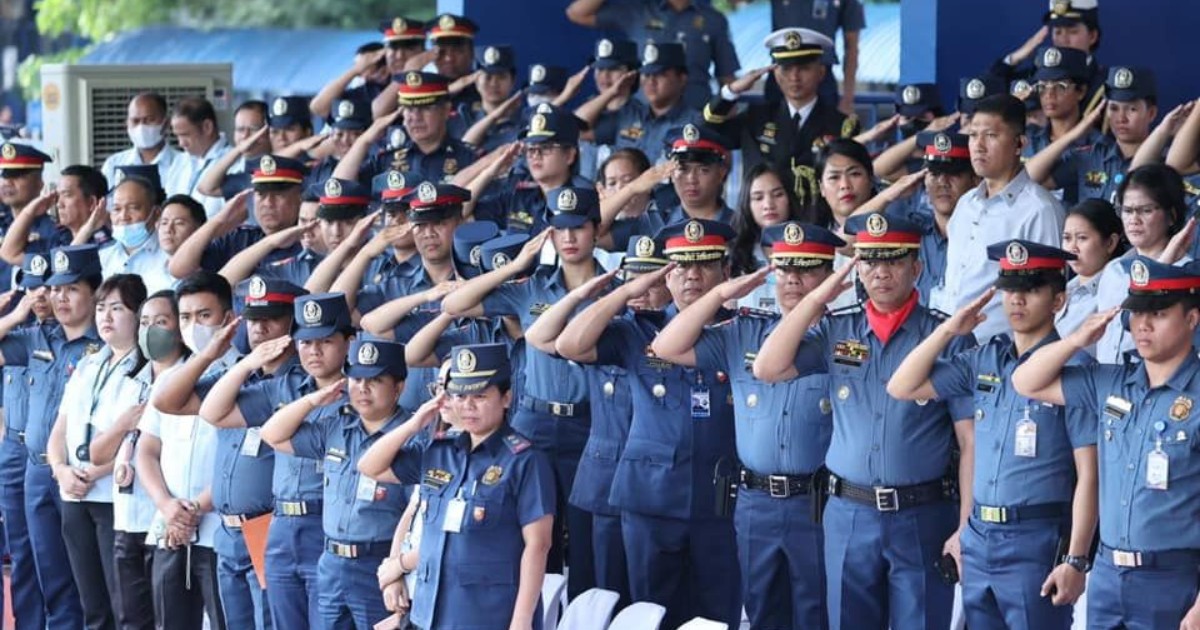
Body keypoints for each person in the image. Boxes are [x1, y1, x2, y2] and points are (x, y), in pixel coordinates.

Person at [753, 212, 975, 630]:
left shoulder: (947, 336)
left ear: (917, 267)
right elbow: (767, 367)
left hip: (922, 513)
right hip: (849, 512)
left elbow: (970, 442)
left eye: (892, 260)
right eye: (869, 261)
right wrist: (817, 299)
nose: (880, 272)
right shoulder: (838, 330)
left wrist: (964, 526)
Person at [888, 240, 1099, 629]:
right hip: (980, 536)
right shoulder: (987, 357)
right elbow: (901, 386)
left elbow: (1090, 474)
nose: (1017, 300)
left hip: (1036, 537)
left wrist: (1076, 559)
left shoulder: (1076, 369)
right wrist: (950, 329)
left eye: (1032, 289)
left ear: (1058, 300)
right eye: (1010, 289)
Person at [653, 221, 844, 630]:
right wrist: (722, 293)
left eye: (806, 269)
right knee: (761, 614)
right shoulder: (745, 330)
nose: (792, 280)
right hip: (755, 501)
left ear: (829, 277)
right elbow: (666, 347)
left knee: (818, 614)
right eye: (783, 270)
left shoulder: (845, 338)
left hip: (817, 502)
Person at [551, 218, 741, 628]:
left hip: (720, 502)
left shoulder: (744, 329)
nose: (692, 275)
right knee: (649, 615)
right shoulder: (639, 329)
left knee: (717, 616)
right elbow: (568, 344)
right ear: (666, 274)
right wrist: (627, 290)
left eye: (705, 264)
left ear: (725, 273)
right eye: (680, 266)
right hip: (650, 502)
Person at [1011, 256, 1200, 629]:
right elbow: (1025, 382)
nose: (1142, 325)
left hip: (1174, 579)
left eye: (1159, 313)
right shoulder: (1111, 382)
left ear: (1192, 319)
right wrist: (1078, 339)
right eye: (1137, 312)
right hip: (1108, 576)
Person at [442, 190, 609, 599]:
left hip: (593, 423)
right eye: (559, 229)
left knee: (588, 543)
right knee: (533, 539)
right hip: (534, 421)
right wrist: (515, 266)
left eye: (579, 227)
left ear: (597, 228)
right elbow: (455, 302)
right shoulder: (530, 286)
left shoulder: (614, 287)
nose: (569, 238)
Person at [357, 342, 555, 630]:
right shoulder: (439, 450)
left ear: (506, 398)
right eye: (460, 396)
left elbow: (538, 545)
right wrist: (414, 424)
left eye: (480, 396)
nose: (468, 406)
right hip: (431, 612)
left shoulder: (525, 460)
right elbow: (369, 466)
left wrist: (521, 622)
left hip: (488, 615)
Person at [198, 292, 351, 629]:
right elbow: (212, 411)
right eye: (307, 341)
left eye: (325, 340)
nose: (314, 350)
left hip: (325, 521)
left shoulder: (362, 393)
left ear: (348, 341)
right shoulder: (285, 387)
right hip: (280, 523)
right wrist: (249, 364)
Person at [2, 245, 108, 629]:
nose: (59, 297)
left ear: (95, 292)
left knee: (85, 582)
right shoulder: (36, 338)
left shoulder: (105, 346)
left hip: (82, 476)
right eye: (55, 288)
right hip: (36, 471)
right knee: (47, 574)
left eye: (72, 288)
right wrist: (16, 314)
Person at [48, 273, 148, 630]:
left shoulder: (146, 368)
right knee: (91, 603)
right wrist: (61, 470)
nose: (105, 316)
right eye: (102, 307)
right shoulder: (89, 362)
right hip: (73, 494)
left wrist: (93, 473)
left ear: (139, 315)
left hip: (111, 497)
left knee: (123, 601)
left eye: (117, 308)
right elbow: (59, 428)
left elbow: (136, 438)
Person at [139, 273, 234, 630]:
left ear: (227, 318)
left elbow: (238, 458)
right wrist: (167, 506)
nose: (193, 325)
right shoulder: (169, 380)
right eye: (185, 317)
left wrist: (194, 510)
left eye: (204, 315)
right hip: (169, 527)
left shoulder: (243, 374)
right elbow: (146, 450)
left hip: (217, 529)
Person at [934, 94, 1065, 342]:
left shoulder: (1040, 209)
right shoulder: (965, 203)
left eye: (991, 136)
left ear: (1019, 144)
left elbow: (1050, 296)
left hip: (1000, 355)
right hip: (947, 345)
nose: (978, 145)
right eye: (973, 135)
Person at [703, 28, 858, 203]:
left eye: (804, 68)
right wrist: (731, 91)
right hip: (761, 222)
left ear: (821, 72)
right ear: (775, 74)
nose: (794, 77)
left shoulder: (841, 124)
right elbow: (709, 132)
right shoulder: (756, 117)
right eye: (786, 69)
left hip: (816, 223)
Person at [0, 253, 53, 630]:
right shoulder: (18, 334)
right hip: (14, 450)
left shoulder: (69, 336)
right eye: (32, 288)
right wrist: (16, 314)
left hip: (50, 454)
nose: (39, 295)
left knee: (51, 554)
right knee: (21, 551)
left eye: (47, 287)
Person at [1092, 163, 1186, 364]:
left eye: (1145, 210)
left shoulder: (1186, 274)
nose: (1133, 219)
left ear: (1172, 216)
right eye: (1127, 210)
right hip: (1107, 386)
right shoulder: (1114, 270)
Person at [565, 0, 739, 109]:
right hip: (646, 115)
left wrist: (726, 113)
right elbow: (577, 13)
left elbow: (727, 76)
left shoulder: (713, 19)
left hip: (696, 112)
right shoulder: (638, 10)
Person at [1026, 66, 1158, 204]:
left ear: (1151, 113)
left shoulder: (1163, 159)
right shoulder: (1089, 156)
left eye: (1132, 109)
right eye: (1114, 108)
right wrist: (1074, 133)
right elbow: (1027, 180)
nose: (1121, 118)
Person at [169, 155, 305, 280]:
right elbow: (179, 269)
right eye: (261, 195)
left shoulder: (308, 242)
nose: (268, 203)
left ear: (299, 198)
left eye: (278, 195)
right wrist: (218, 221)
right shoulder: (240, 238)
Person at [585, 42, 703, 164]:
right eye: (646, 74)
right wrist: (611, 92)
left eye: (660, 75)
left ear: (682, 79)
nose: (651, 81)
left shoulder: (696, 123)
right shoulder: (629, 114)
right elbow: (579, 129)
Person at [730, 163, 817, 312]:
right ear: (747, 204)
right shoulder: (737, 255)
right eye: (758, 198)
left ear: (790, 198)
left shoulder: (813, 250)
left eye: (777, 195)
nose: (768, 204)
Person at [1023, 46, 1100, 204]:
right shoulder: (1026, 139)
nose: (1049, 94)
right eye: (1042, 86)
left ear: (1081, 91)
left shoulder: (1099, 147)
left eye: (1060, 86)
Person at [1057, 198, 1123, 343]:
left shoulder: (1115, 294)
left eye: (1082, 238)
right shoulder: (1065, 289)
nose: (1072, 247)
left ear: (1110, 243)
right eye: (1067, 238)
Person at [100, 166, 175, 293]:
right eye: (117, 209)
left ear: (156, 213)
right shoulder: (103, 257)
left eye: (133, 208)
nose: (124, 217)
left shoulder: (171, 257)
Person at [165, 97, 231, 218]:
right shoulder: (179, 161)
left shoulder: (233, 163)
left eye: (185, 135)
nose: (181, 143)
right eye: (177, 136)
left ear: (207, 127)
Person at [660, 123, 736, 225]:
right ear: (672, 174)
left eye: (703, 170)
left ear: (721, 174)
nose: (692, 179)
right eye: (683, 169)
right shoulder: (658, 225)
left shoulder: (741, 226)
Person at [100, 92, 180, 187]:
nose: (141, 126)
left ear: (166, 123)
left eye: (149, 120)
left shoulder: (182, 163)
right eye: (135, 121)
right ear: (127, 124)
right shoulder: (113, 164)